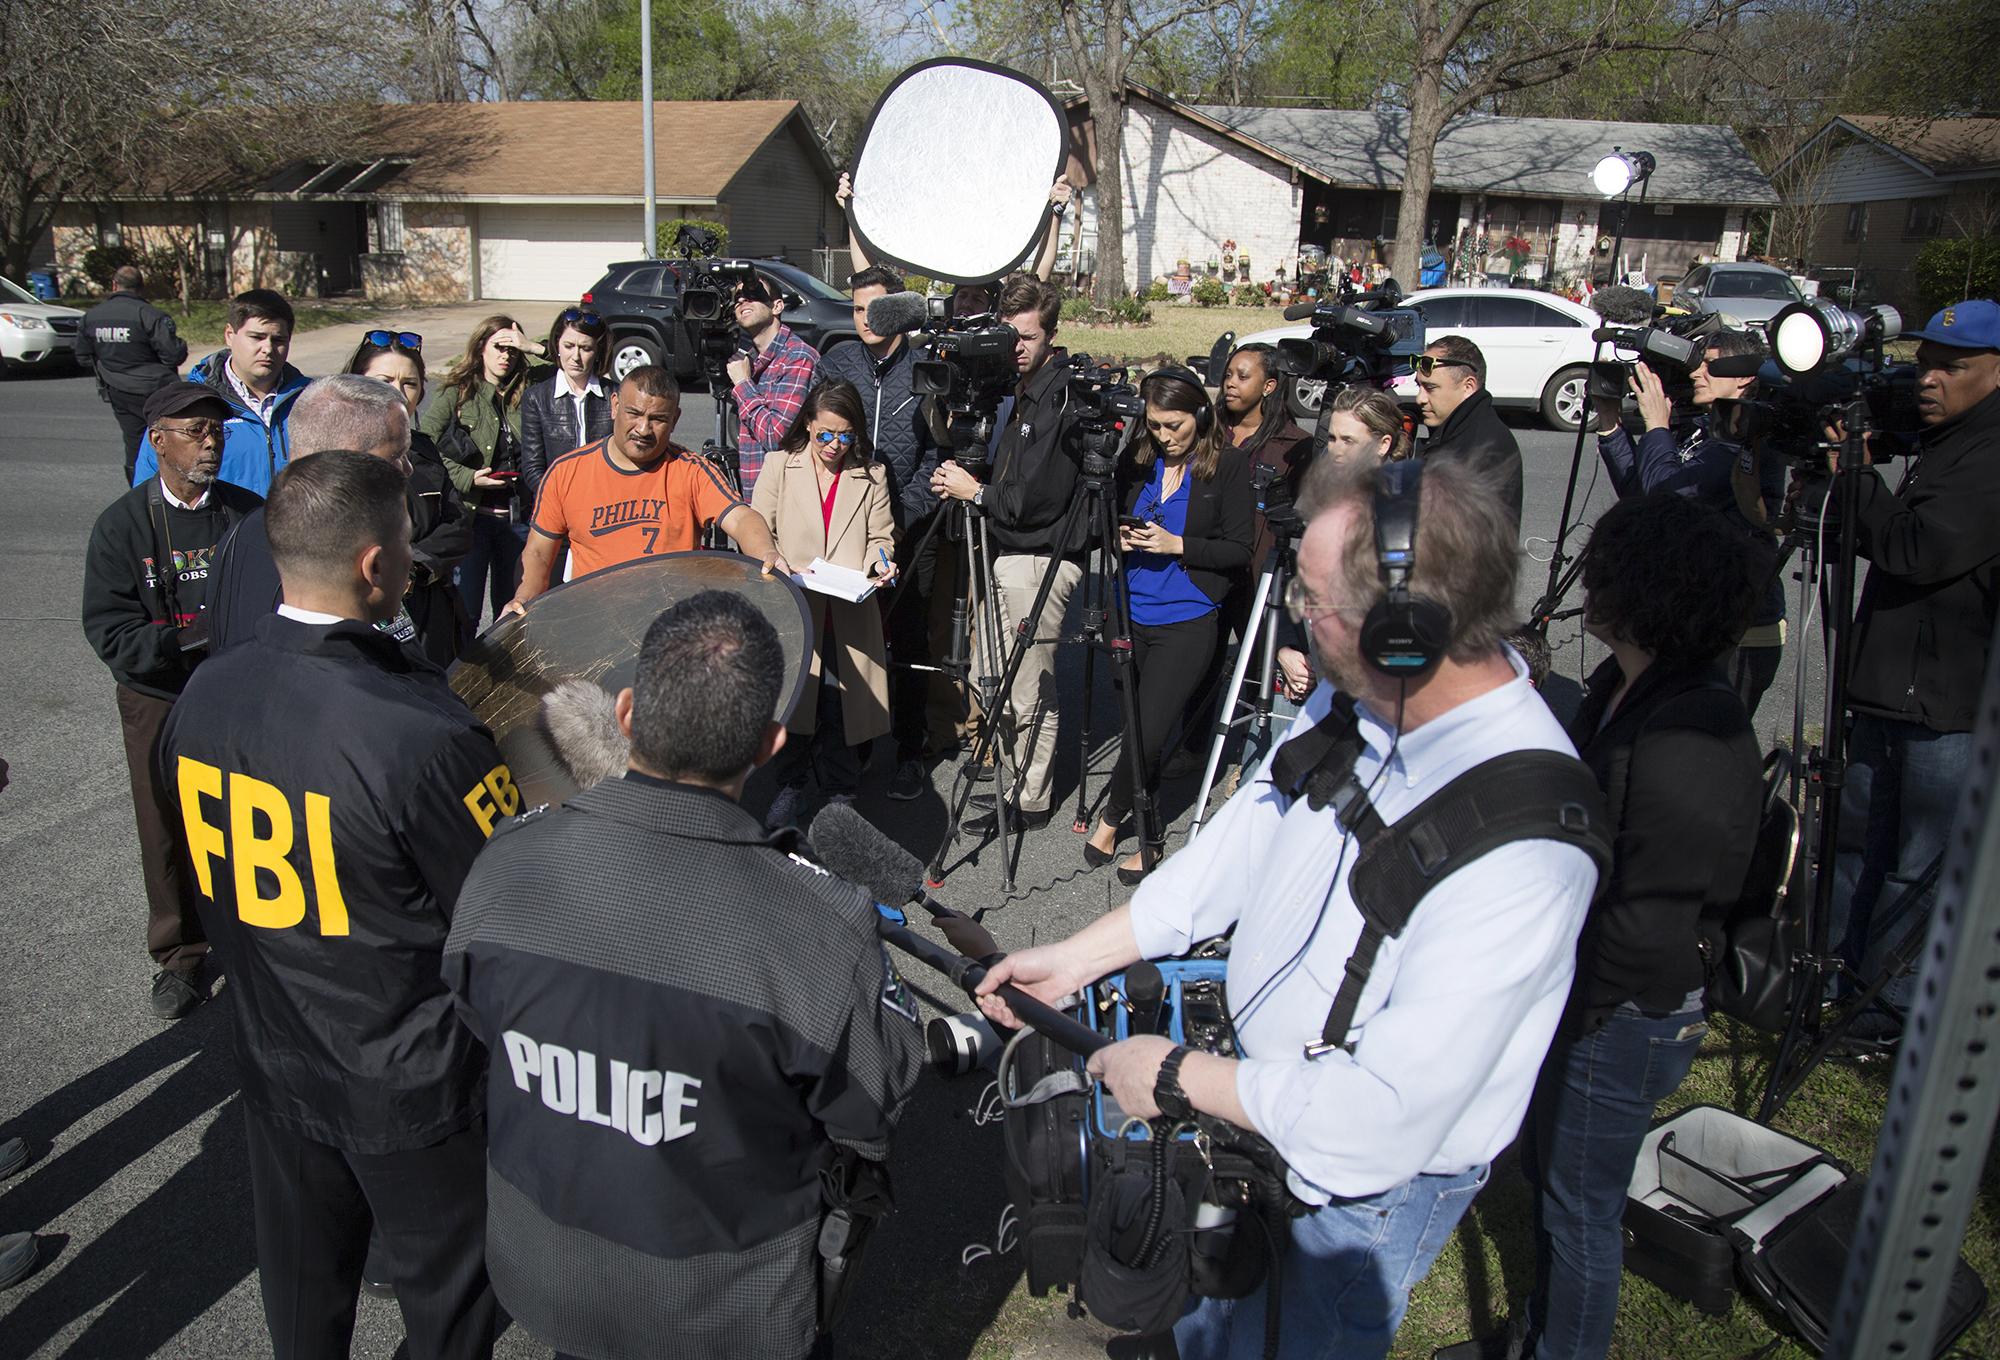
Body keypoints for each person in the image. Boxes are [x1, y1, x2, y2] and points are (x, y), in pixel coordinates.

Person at [975, 455, 1603, 1360]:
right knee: (1213, 1324)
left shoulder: (1524, 850)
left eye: (1310, 605)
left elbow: (1376, 1122)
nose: (1294, 629)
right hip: (1254, 1116)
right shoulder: (1362, 699)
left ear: (1403, 631)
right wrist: (1081, 956)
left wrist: (1173, 1077)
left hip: (1360, 1198)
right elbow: (1241, 846)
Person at [442, 589, 924, 1360]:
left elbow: (476, 1019)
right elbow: (874, 1104)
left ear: (625, 713)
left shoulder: (507, 863)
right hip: (725, 1313)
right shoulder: (821, 928)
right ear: (770, 744)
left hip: (550, 1280)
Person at [158, 450, 505, 1360]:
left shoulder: (203, 693)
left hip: (275, 1061)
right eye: (402, 540)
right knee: (451, 1302)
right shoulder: (422, 732)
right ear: (375, 565)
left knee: (305, 1296)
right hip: (411, 1083)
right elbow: (503, 910)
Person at [1486, 494, 1763, 1360]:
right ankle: (1539, 1333)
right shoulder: (1622, 684)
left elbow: (1653, 916)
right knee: (1551, 1180)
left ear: (1646, 590)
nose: (1584, 585)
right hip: (1593, 988)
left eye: (1603, 571)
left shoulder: (1691, 732)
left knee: (1579, 1211)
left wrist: (1563, 998)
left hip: (1625, 1007)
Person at [1828, 298, 2000, 1039]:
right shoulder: (1947, 437)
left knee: (1912, 863)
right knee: (1855, 843)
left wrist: (1859, 475)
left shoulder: (1990, 457)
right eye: (1926, 362)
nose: (1930, 380)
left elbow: (1917, 550)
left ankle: (1884, 1010)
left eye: (1952, 368)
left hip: (1942, 707)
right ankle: (1832, 978)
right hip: (1885, 687)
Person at [82, 380, 263, 1020]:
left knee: (249, 817)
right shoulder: (122, 525)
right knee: (165, 825)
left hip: (239, 691)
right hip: (158, 697)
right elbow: (109, 629)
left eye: (217, 430)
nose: (210, 441)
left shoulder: (247, 512)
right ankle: (181, 953)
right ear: (157, 439)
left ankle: (258, 940)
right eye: (195, 430)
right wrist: (185, 641)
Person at [1084, 369, 1252, 883]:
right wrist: (1119, 534)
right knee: (1136, 725)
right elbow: (1099, 525)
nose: (1164, 436)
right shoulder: (1138, 461)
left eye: (1174, 425)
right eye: (1155, 426)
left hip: (1187, 620)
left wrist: (1177, 545)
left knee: (1150, 733)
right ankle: (1133, 821)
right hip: (1128, 610)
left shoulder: (1228, 466)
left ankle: (1125, 822)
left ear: (1199, 416)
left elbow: (1239, 549)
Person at [931, 274, 1083, 832]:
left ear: (1051, 335)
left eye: (1027, 337)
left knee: (1028, 687)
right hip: (1007, 551)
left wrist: (977, 493)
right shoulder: (1021, 388)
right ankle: (1013, 779)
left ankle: (1029, 801)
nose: (1015, 348)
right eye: (1008, 336)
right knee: (994, 676)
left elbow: (1036, 500)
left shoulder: (1061, 396)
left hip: (1038, 559)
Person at [1591, 328, 1787, 716]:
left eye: (1710, 366)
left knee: (1702, 743)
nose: (1698, 373)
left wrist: (1657, 426)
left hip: (1738, 631)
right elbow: (1645, 500)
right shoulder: (1705, 427)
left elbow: (1667, 493)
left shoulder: (1746, 436)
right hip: (1691, 614)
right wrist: (1611, 424)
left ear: (1745, 377)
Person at [504, 367, 790, 615]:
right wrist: (524, 597)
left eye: (658, 419)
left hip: (670, 629)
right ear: (614, 405)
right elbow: (539, 553)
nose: (643, 428)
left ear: (675, 419)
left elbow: (741, 518)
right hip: (593, 628)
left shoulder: (690, 470)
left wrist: (766, 552)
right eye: (634, 413)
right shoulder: (566, 471)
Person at [818, 266, 945, 801]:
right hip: (847, 529)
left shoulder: (926, 368)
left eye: (876, 309)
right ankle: (857, 744)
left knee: (910, 642)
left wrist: (897, 514)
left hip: (911, 529)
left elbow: (938, 455)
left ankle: (910, 751)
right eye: (855, 309)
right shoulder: (838, 362)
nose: (864, 319)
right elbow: (818, 435)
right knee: (854, 644)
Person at [751, 382, 898, 831]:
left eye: (846, 436)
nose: (835, 446)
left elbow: (881, 538)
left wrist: (883, 564)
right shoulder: (780, 465)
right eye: (825, 435)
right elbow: (759, 527)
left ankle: (840, 792)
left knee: (840, 706)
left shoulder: (871, 474)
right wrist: (773, 559)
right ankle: (791, 784)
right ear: (808, 425)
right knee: (796, 702)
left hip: (848, 611)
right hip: (795, 604)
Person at [205, 375, 422, 655]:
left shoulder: (247, 529)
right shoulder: (337, 550)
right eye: (397, 454)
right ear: (345, 456)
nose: (408, 469)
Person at [348, 333, 472, 665]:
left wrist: (416, 564)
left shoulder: (425, 450)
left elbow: (457, 523)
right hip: (364, 612)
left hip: (429, 608)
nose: (397, 393)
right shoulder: (337, 454)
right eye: (384, 380)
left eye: (410, 383)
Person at [422, 315, 541, 629]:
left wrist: (533, 347)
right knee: (466, 612)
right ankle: (462, 676)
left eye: (513, 350)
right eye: (499, 347)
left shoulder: (529, 389)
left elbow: (577, 364)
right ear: (480, 349)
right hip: (473, 518)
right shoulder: (458, 391)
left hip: (518, 519)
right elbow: (424, 445)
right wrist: (467, 477)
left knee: (512, 613)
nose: (506, 356)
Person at [132, 289, 307, 497]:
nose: (267, 348)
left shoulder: (313, 401)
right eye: (257, 337)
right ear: (229, 335)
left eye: (278, 340)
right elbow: (148, 492)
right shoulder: (183, 408)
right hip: (223, 528)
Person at [837, 170, 1074, 282]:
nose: (967, 304)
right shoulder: (927, 337)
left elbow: (1038, 279)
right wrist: (854, 212)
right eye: (964, 296)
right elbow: (865, 280)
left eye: (977, 299)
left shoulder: (1001, 331)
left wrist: (1055, 215)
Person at [76, 265, 189, 483]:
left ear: (114, 285)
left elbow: (82, 356)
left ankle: (138, 490)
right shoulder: (150, 315)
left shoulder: (91, 317)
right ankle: (170, 489)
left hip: (118, 390)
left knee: (134, 441)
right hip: (157, 391)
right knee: (168, 440)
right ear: (141, 288)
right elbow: (173, 355)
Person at [1413, 335, 1524, 523]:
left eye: (1430, 388)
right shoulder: (1463, 428)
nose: (1419, 399)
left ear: (1468, 386)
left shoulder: (1478, 450)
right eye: (1419, 386)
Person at [727, 276, 819, 493]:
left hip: (785, 499)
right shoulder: (749, 359)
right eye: (738, 298)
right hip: (754, 495)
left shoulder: (798, 357)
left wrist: (742, 384)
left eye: (754, 295)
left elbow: (777, 437)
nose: (742, 301)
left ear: (777, 306)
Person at [519, 307, 614, 509]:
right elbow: (532, 466)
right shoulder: (536, 397)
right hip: (557, 508)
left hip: (606, 507)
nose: (576, 357)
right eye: (569, 346)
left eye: (586, 348)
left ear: (598, 352)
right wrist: (562, 501)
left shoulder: (617, 395)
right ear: (557, 345)